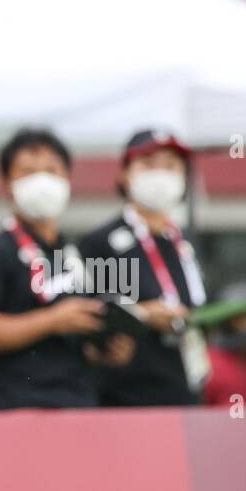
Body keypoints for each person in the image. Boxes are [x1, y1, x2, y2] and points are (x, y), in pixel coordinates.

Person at [0, 127, 134, 410]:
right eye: (28, 172)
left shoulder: (73, 255)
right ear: (6, 184)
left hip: (82, 405)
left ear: (67, 180)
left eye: (52, 170)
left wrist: (104, 351)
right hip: (22, 411)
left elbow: (73, 341)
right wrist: (50, 321)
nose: (42, 181)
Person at [79, 129, 210, 407]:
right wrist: (142, 314)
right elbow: (95, 314)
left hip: (186, 391)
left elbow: (195, 304)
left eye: (171, 166)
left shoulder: (183, 239)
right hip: (127, 400)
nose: (160, 175)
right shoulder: (104, 242)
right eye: (149, 164)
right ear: (124, 174)